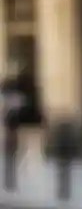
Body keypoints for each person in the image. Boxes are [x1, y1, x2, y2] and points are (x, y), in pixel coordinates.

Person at [2, 64, 45, 195]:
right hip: (27, 126)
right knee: (24, 153)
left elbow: (9, 110)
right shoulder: (30, 91)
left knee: (14, 154)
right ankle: (19, 178)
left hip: (16, 126)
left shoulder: (15, 92)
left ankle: (12, 181)